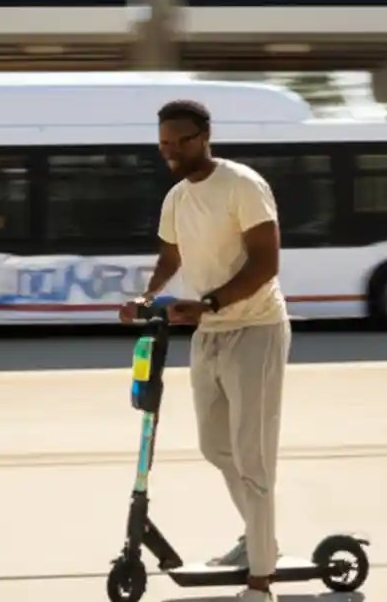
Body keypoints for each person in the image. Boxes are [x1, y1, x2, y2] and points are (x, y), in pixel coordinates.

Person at [119, 99, 289, 602]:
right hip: (209, 333)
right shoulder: (176, 197)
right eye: (164, 144)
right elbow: (171, 254)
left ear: (205, 135)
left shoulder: (242, 185)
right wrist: (148, 297)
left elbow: (266, 263)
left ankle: (261, 581)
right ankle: (261, 541)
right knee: (216, 447)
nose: (171, 152)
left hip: (255, 328)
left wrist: (209, 303)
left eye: (180, 141)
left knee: (253, 459)